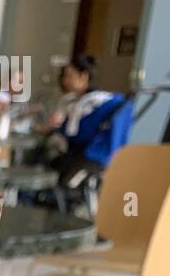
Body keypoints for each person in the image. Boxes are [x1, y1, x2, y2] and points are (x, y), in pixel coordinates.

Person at [43, 54, 131, 192]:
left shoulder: (100, 103)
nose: (65, 80)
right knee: (46, 164)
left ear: (83, 76)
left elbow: (79, 134)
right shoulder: (73, 102)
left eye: (69, 76)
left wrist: (60, 127)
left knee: (62, 185)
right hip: (78, 154)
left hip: (93, 157)